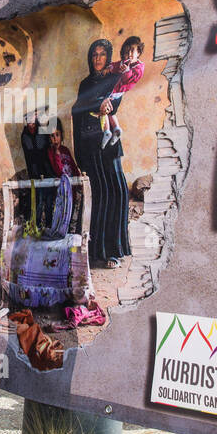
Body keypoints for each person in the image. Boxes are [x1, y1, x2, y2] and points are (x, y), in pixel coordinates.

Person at [71, 38, 130, 269]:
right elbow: (77, 109)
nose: (98, 59)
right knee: (100, 195)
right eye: (94, 54)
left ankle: (115, 250)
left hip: (110, 145)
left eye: (102, 54)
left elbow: (115, 102)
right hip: (93, 146)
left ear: (108, 57)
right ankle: (98, 251)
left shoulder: (114, 78)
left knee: (118, 192)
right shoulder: (86, 84)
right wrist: (95, 106)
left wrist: (107, 105)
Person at [99, 35, 145, 148]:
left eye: (132, 51)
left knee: (103, 110)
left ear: (138, 53)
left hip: (115, 94)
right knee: (112, 113)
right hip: (115, 93)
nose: (128, 54)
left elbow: (129, 79)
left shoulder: (139, 67)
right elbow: (115, 66)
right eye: (126, 52)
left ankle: (106, 131)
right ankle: (117, 129)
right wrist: (110, 67)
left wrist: (127, 71)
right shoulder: (124, 62)